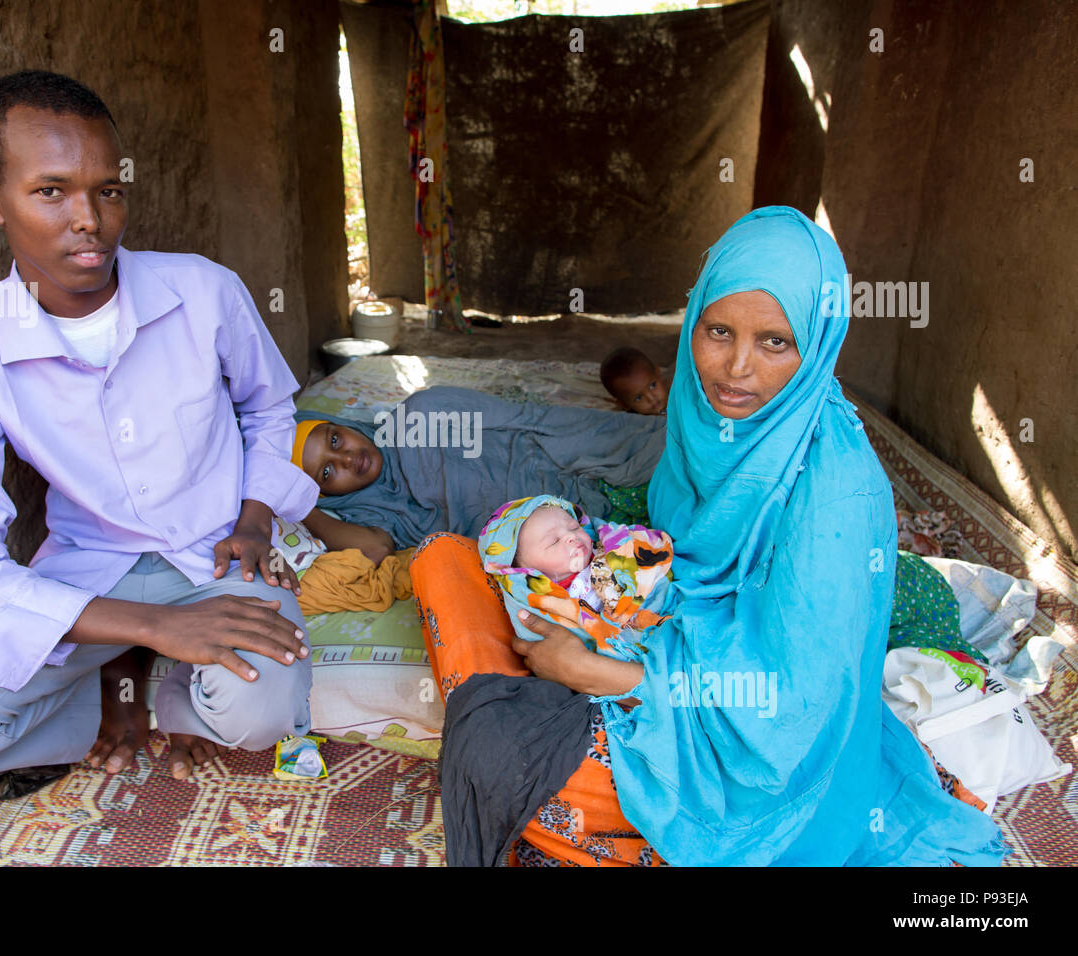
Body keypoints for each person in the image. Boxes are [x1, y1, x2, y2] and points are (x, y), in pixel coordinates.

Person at [410, 206, 1005, 866]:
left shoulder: (837, 489)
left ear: (819, 341)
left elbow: (795, 708)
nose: (736, 369)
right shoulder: (701, 426)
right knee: (446, 562)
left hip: (760, 758)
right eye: (718, 330)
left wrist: (601, 672)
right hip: (658, 634)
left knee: (507, 759)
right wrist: (599, 603)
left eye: (775, 342)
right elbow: (675, 571)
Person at [0, 70, 317, 796]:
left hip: (216, 558)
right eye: (50, 191)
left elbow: (268, 410)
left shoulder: (203, 291)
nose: (89, 218)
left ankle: (148, 690)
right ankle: (111, 675)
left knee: (259, 713)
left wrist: (257, 520)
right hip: (85, 574)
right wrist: (154, 628)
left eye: (108, 189)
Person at [293, 385, 667, 561]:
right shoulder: (374, 515)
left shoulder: (422, 413)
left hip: (585, 465)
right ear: (320, 494)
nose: (345, 459)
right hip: (569, 536)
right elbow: (376, 549)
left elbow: (533, 422)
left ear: (344, 425)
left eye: (336, 439)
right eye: (326, 472)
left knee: (689, 474)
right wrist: (296, 503)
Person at [477, 494, 673, 652]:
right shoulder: (547, 599)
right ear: (523, 570)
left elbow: (639, 554)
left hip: (653, 607)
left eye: (574, 527)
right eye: (553, 541)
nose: (571, 536)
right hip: (620, 639)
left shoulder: (603, 552)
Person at [600, 346, 671, 415]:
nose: (651, 399)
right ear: (625, 405)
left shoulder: (678, 391)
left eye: (653, 385)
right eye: (638, 398)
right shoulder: (635, 421)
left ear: (658, 373)